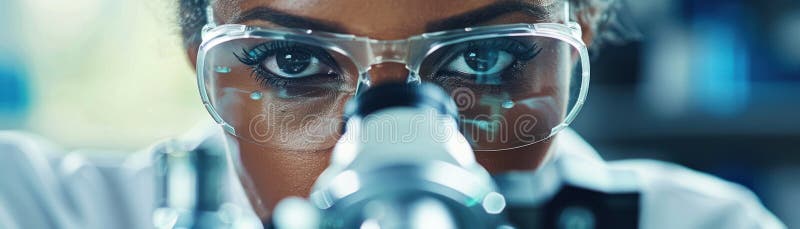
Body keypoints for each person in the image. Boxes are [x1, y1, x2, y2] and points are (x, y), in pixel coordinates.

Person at [0, 0, 785, 228]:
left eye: (483, 57)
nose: (388, 138)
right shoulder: (44, 207)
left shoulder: (700, 223)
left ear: (576, 40)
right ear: (200, 64)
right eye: (295, 62)